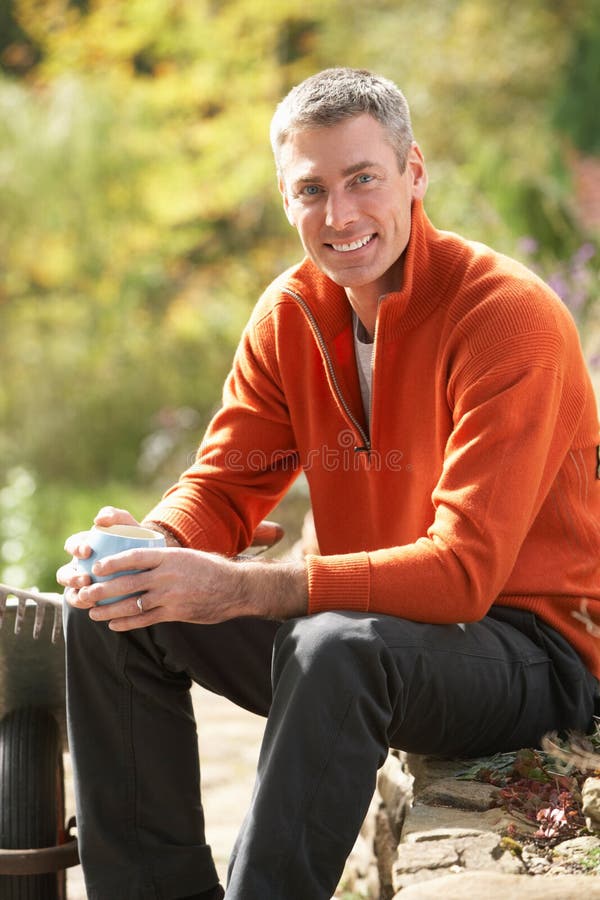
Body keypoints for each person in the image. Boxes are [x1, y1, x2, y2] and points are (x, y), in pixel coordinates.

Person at [58, 67, 600, 900]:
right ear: (284, 196)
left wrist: (244, 589)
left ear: (414, 173)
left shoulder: (506, 317)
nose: (339, 216)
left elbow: (463, 575)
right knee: (114, 609)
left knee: (334, 645)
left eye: (362, 180)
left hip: (533, 651)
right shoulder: (292, 315)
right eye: (312, 189)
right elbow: (224, 486)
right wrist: (153, 548)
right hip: (372, 630)